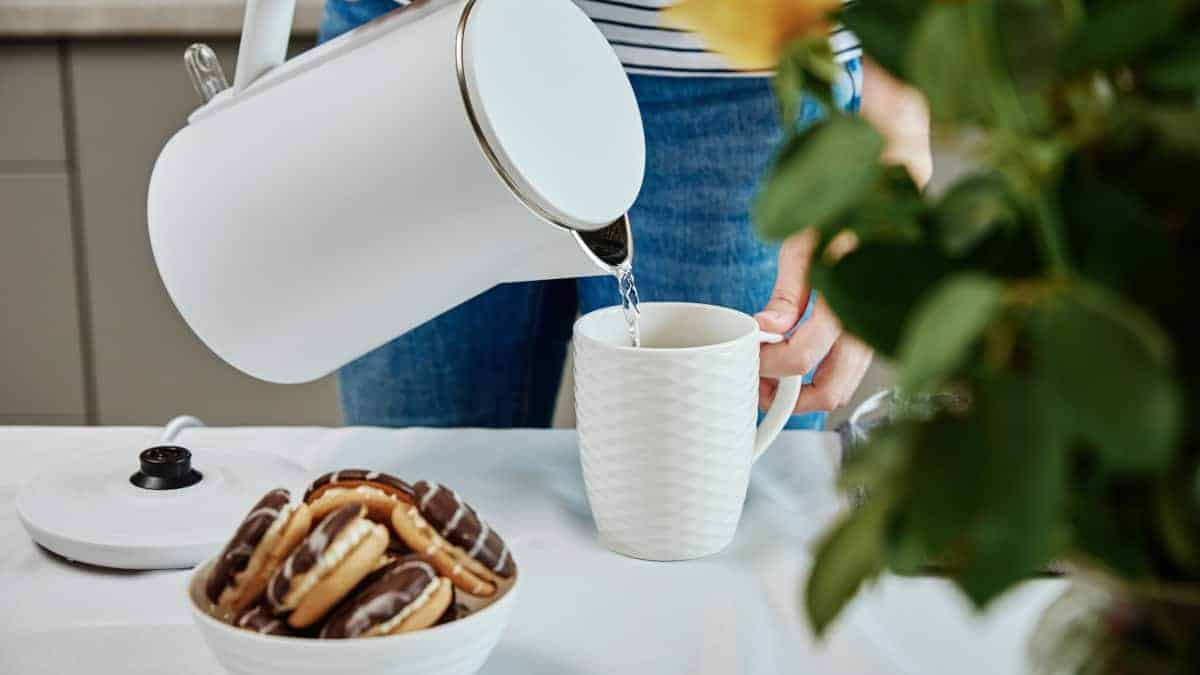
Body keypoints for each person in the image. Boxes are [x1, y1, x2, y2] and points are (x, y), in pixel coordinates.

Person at [321, 0, 932, 429]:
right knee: (412, 511)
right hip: (429, 44)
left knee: (713, 528)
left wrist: (896, 119)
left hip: (742, 78)